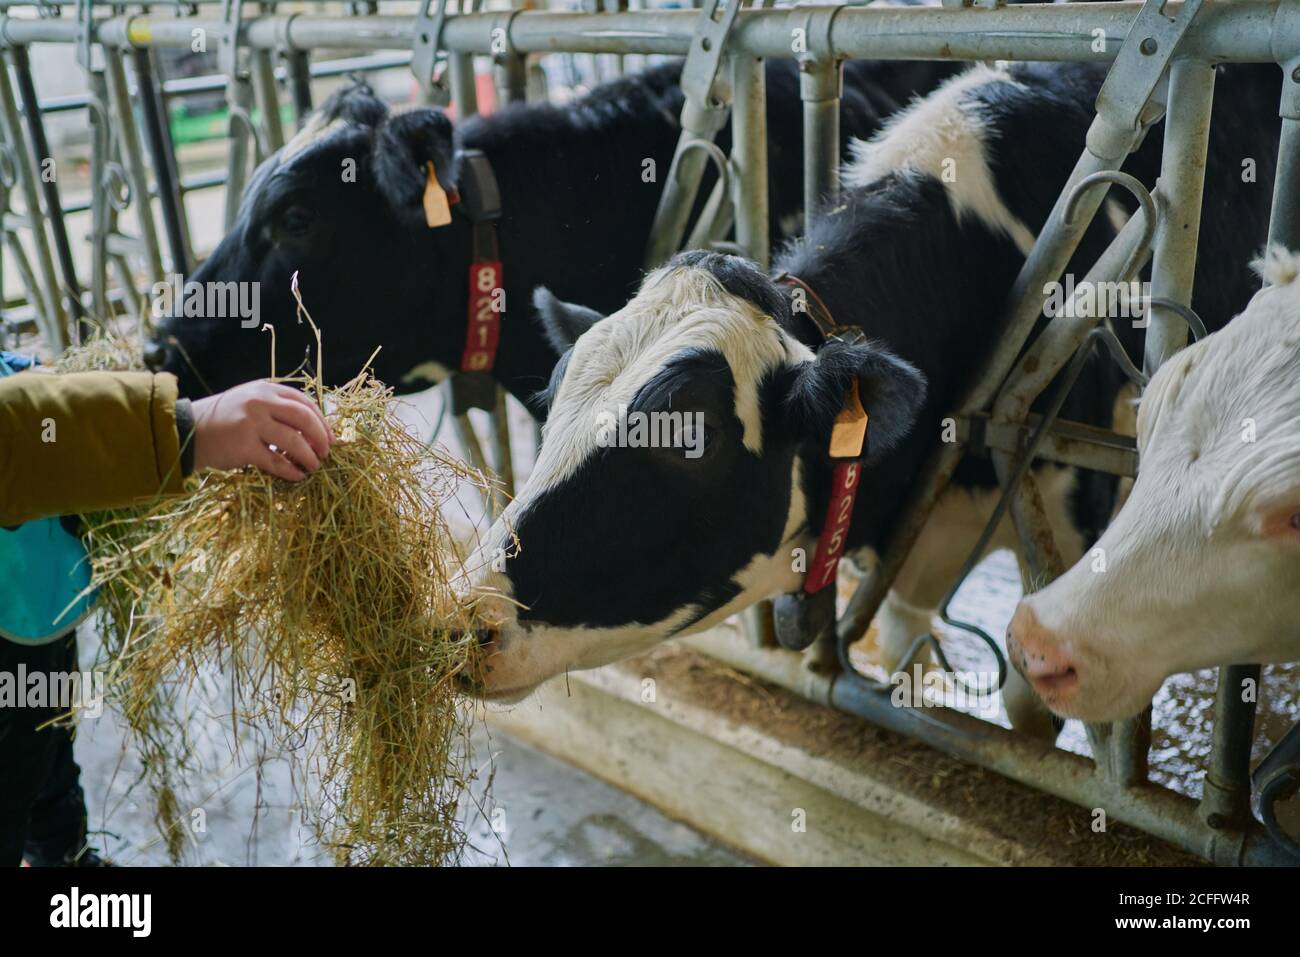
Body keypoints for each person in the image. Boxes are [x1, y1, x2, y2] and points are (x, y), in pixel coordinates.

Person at [0, 358, 333, 866]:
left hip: (32, 584)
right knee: (13, 767)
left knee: (47, 736)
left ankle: (62, 856)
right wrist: (182, 430)